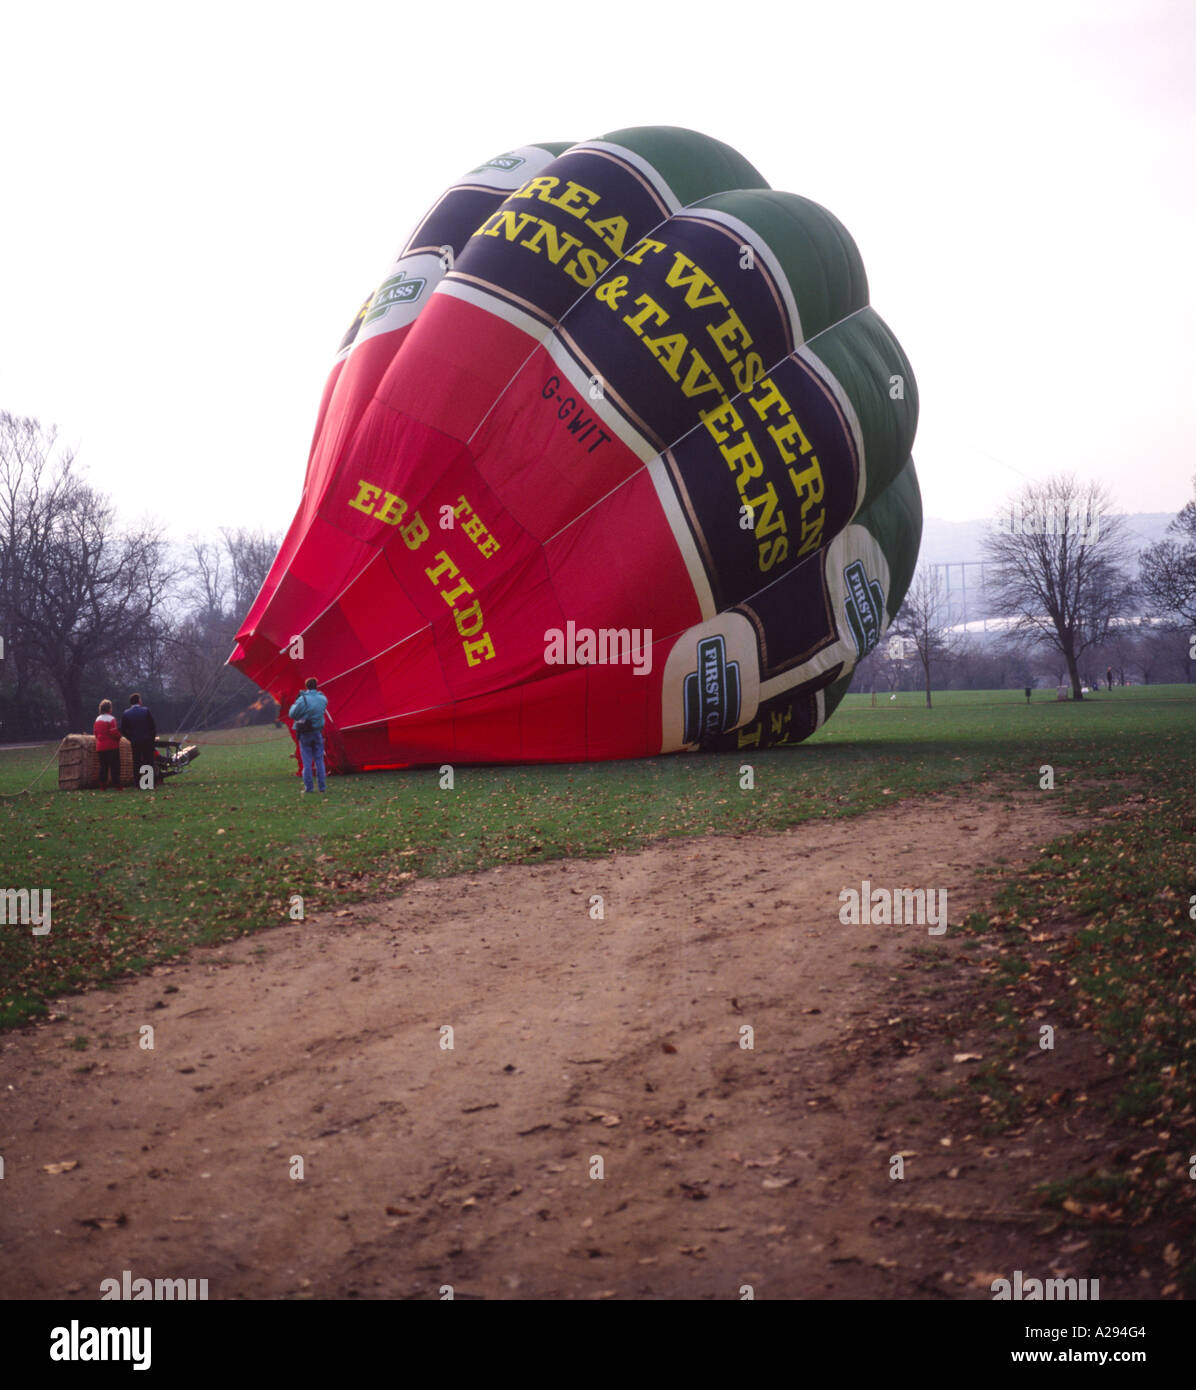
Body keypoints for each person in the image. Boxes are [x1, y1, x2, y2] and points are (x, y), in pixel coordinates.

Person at [289, 676, 329, 793]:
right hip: (317, 732)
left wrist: (296, 704)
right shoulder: (323, 699)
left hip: (305, 733)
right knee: (319, 760)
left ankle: (309, 788)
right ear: (316, 686)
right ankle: (322, 787)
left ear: (306, 686)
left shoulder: (303, 699)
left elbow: (292, 714)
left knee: (307, 762)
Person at [120, 693, 158, 789]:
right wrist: (151, 738)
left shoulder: (126, 713)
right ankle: (148, 783)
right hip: (147, 740)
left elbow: (123, 730)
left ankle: (138, 784)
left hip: (135, 741)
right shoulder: (146, 711)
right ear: (139, 701)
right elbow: (152, 727)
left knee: (137, 762)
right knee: (148, 761)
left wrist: (130, 738)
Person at [94, 699, 123, 790]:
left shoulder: (97, 719)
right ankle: (117, 785)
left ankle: (103, 786)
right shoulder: (111, 719)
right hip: (112, 746)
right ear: (109, 709)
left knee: (103, 767)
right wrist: (120, 736)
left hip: (100, 747)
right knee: (115, 766)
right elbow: (113, 733)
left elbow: (95, 733)